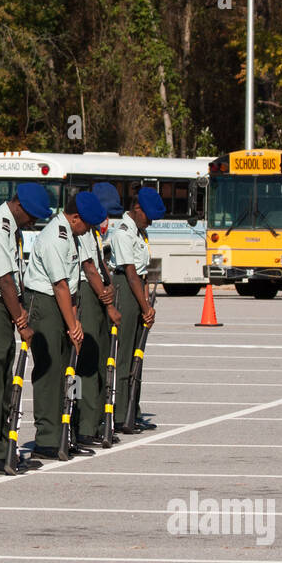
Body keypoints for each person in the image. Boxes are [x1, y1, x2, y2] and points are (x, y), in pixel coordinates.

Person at [0, 182, 50, 475]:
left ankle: (2, 446)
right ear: (19, 206)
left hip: (2, 308)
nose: (33, 222)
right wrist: (22, 322)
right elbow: (3, 279)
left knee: (2, 383)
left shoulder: (10, 227)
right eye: (32, 216)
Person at [25, 190, 105, 460]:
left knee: (70, 372)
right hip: (45, 305)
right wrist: (73, 326)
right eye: (88, 225)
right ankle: (47, 437)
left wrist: (75, 322)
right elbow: (59, 285)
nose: (89, 231)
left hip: (64, 304)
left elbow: (69, 285)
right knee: (50, 374)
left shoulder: (72, 235)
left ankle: (66, 431)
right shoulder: (54, 237)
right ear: (76, 218)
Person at [111, 186, 163, 433]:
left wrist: (146, 306)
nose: (151, 222)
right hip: (125, 290)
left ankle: (134, 409)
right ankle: (120, 414)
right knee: (123, 358)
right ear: (137, 209)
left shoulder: (140, 232)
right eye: (149, 216)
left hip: (138, 291)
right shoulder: (123, 233)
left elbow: (142, 274)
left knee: (136, 355)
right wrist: (144, 307)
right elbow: (130, 274)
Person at [75, 183, 124, 445]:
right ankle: (82, 424)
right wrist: (108, 303)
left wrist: (107, 286)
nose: (108, 219)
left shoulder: (92, 231)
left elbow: (100, 263)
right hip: (86, 295)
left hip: (96, 294)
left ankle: (92, 422)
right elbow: (89, 267)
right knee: (85, 365)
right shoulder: (83, 229)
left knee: (97, 363)